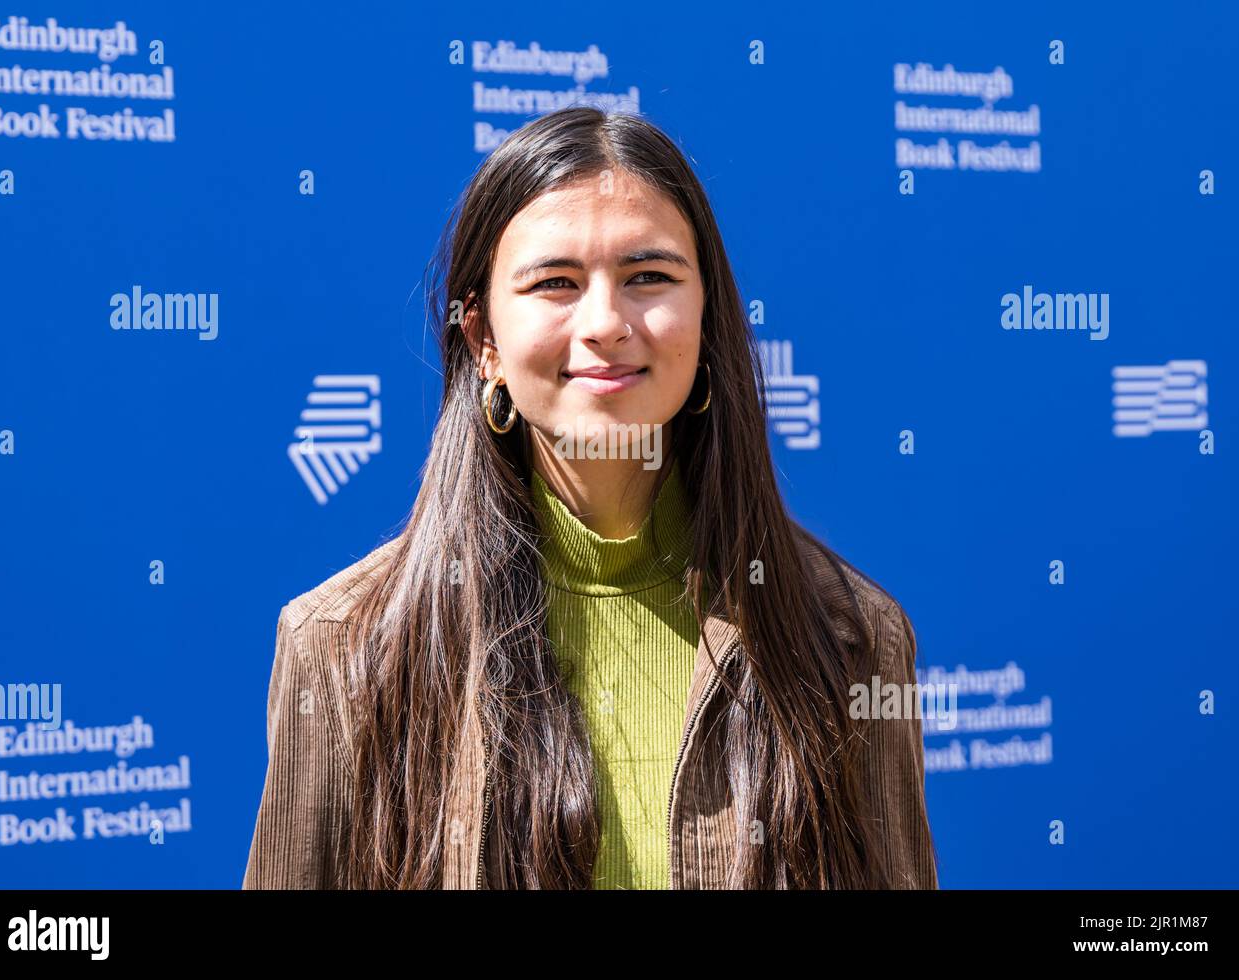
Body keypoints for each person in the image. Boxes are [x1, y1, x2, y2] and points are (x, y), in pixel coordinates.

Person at [242, 106, 938, 889]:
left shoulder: (846, 636)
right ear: (484, 342)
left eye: (649, 277)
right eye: (555, 284)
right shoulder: (347, 648)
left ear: (707, 318)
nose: (606, 322)